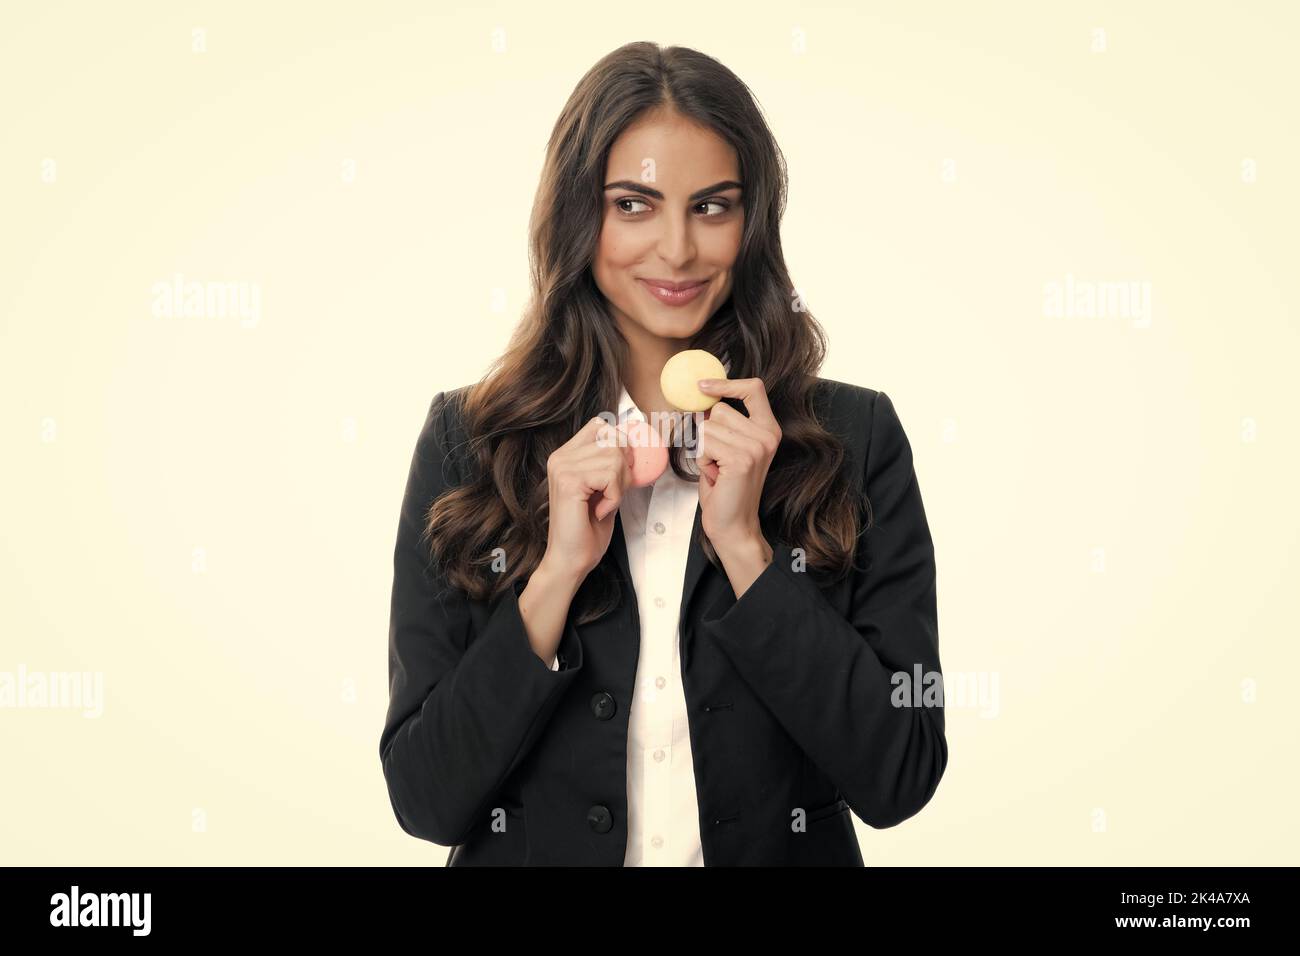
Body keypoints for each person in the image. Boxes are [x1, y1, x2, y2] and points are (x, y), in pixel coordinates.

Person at [379, 41, 947, 866]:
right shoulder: (470, 443)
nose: (676, 251)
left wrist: (750, 552)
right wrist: (556, 577)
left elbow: (900, 776)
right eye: (634, 205)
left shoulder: (853, 440)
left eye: (712, 206)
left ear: (752, 222)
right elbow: (426, 798)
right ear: (580, 217)